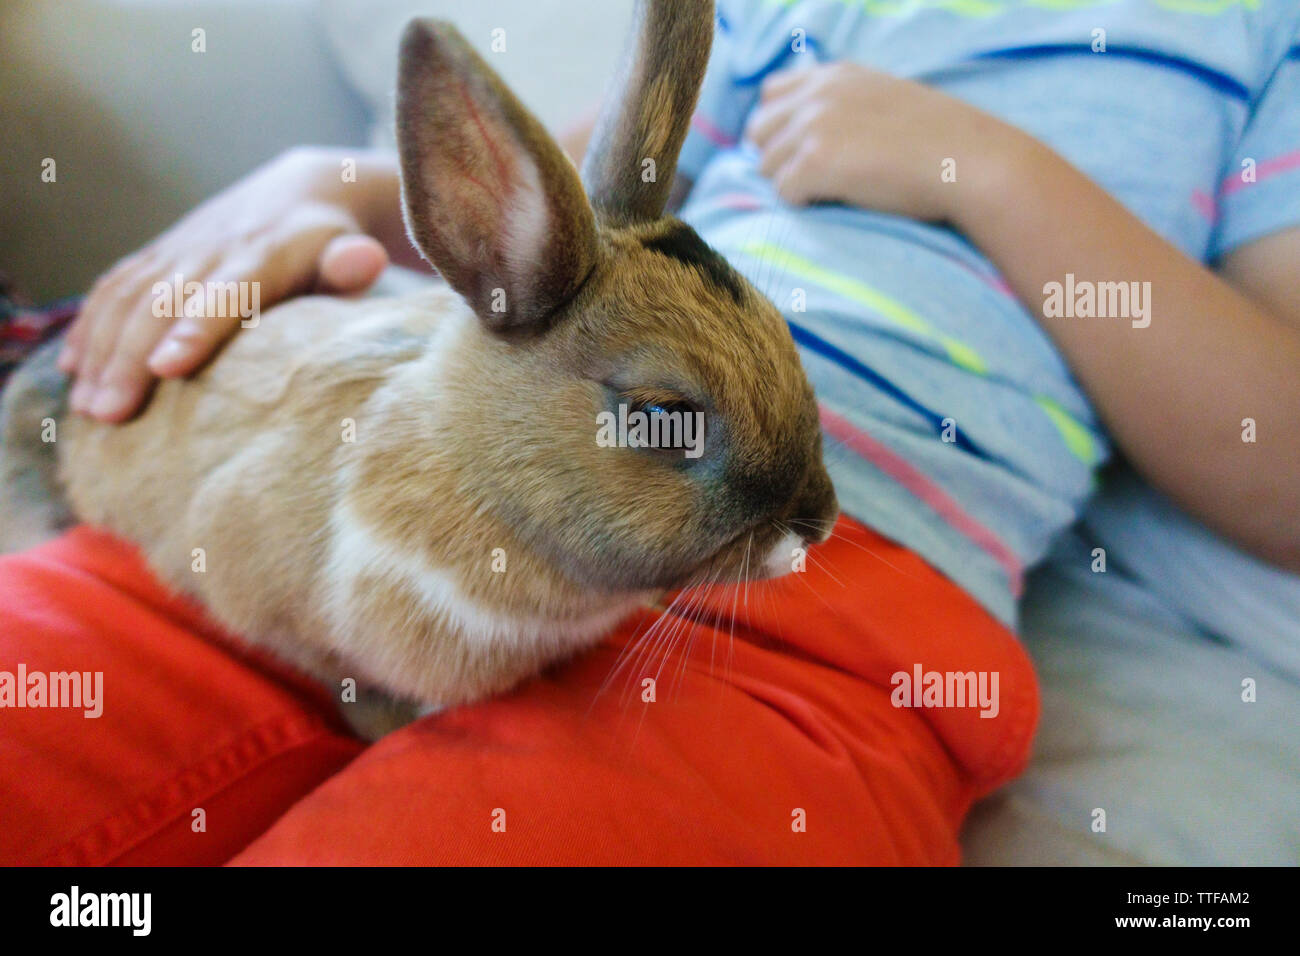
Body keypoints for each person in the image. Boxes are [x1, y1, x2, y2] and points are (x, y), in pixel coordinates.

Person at [6, 0, 1298, 864]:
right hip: (428, 471)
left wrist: (988, 168)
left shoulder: (1248, 38)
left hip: (820, 573)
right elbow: (585, 201)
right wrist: (319, 185)